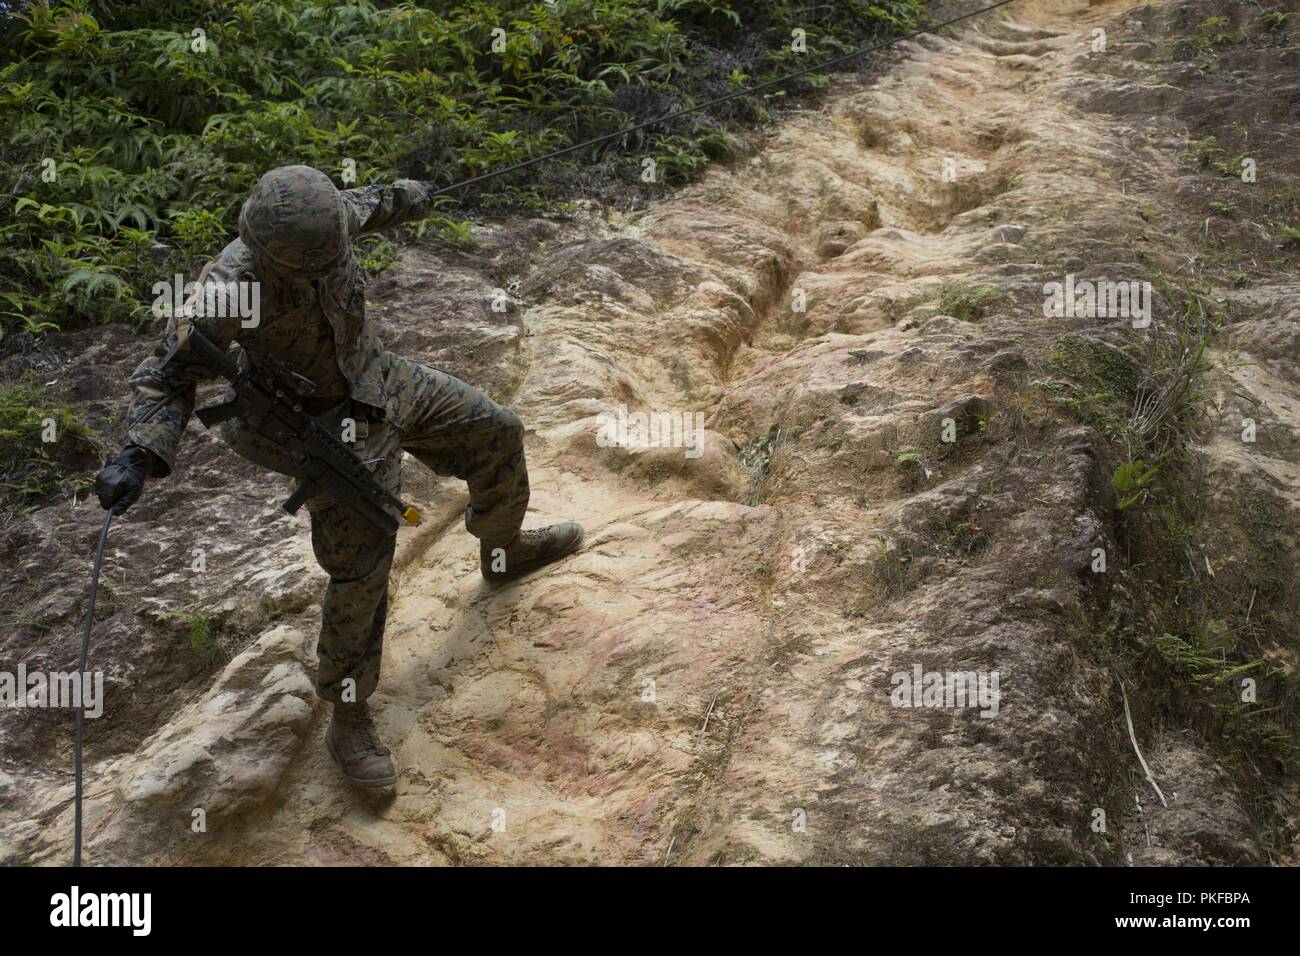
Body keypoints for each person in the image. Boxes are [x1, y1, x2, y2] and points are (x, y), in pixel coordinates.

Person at [94, 165, 583, 788]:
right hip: (309, 424)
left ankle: (503, 548)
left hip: (376, 380)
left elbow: (371, 202)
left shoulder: (327, 224)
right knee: (362, 561)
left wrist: (418, 194)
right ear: (270, 252)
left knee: (497, 430)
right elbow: (165, 376)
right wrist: (139, 452)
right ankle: (348, 714)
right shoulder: (225, 292)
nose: (325, 268)